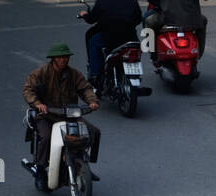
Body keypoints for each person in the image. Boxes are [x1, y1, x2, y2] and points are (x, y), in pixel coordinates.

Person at [23, 43, 101, 179]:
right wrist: (38, 103)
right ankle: (40, 169)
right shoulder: (40, 73)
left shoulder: (74, 74)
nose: (63, 60)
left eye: (65, 57)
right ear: (53, 59)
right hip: (46, 114)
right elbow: (28, 90)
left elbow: (86, 88)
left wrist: (92, 101)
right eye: (60, 57)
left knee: (93, 132)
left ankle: (85, 165)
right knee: (46, 137)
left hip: (69, 114)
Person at [79, 0, 142, 87]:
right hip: (129, 37)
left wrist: (84, 15)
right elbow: (138, 18)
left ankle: (95, 74)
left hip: (109, 38)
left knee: (93, 41)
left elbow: (91, 19)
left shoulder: (102, 2)